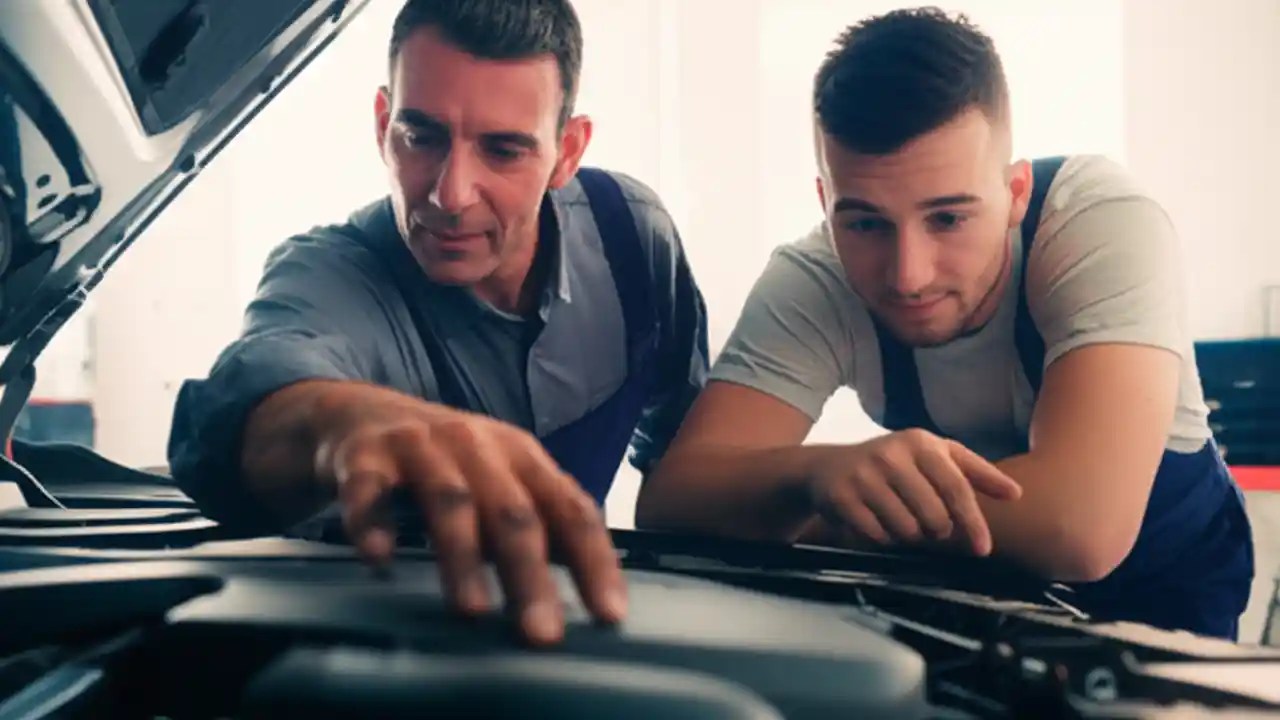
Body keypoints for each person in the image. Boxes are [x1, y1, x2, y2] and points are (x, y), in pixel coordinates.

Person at [637, 8, 1254, 640]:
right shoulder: (813, 276)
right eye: (865, 223)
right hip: (977, 604)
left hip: (1165, 599)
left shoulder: (1098, 222)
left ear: (1015, 193)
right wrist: (815, 473)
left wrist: (829, 513)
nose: (909, 274)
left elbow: (1080, 528)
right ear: (826, 206)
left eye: (948, 218)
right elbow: (671, 504)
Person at [167, 0, 709, 646]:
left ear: (567, 152)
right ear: (381, 125)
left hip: (578, 648)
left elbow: (685, 458)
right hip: (381, 667)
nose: (451, 196)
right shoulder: (332, 273)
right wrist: (342, 420)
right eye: (421, 137)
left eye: (504, 150)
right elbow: (242, 414)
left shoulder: (633, 238)